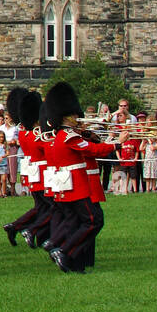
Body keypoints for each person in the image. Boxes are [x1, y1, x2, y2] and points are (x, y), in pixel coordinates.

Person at [44, 82, 126, 274]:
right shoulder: (68, 136)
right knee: (93, 220)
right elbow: (92, 150)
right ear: (65, 116)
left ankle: (75, 263)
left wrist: (89, 134)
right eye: (73, 115)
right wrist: (117, 144)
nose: (77, 117)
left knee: (80, 223)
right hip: (77, 186)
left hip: (71, 185)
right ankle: (63, 251)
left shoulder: (66, 135)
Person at [4, 89, 50, 248]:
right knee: (52, 207)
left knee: (42, 207)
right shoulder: (35, 134)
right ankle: (31, 230)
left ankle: (17, 227)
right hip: (43, 173)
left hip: (33, 172)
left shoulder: (24, 132)